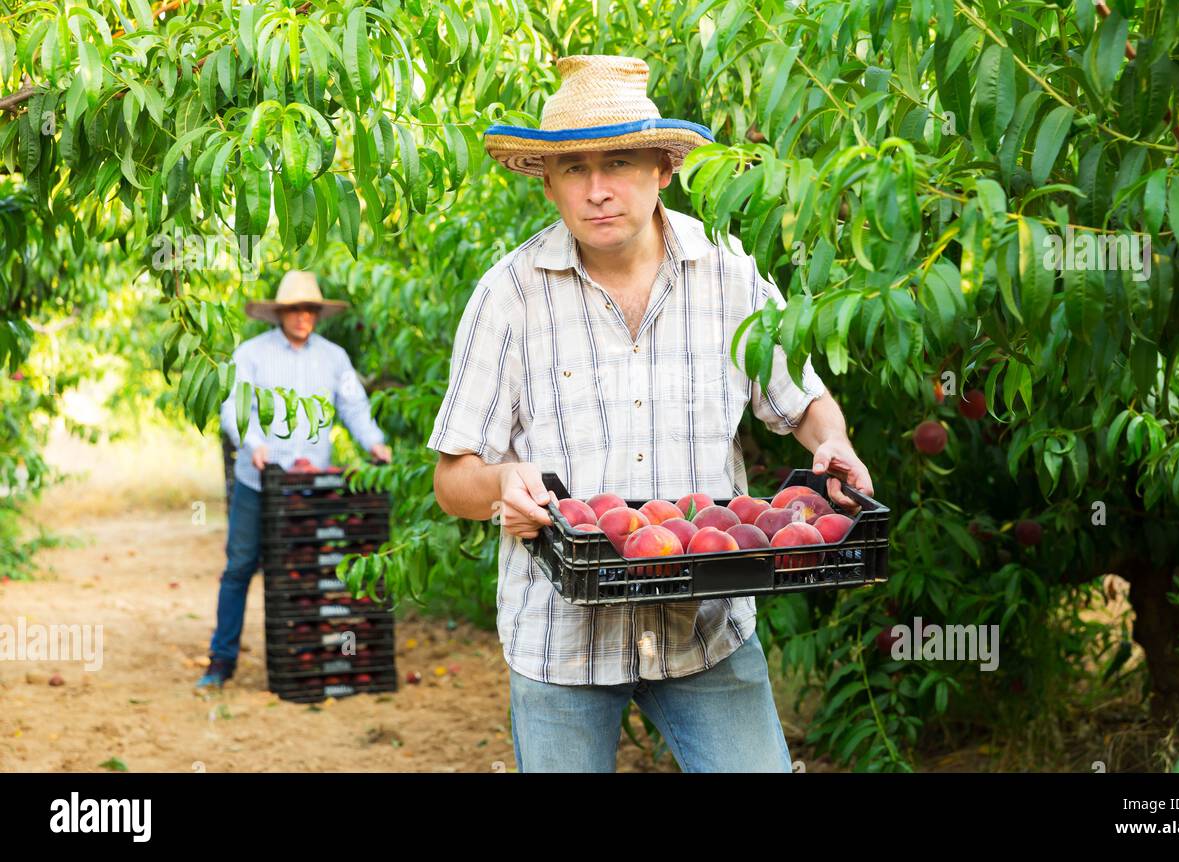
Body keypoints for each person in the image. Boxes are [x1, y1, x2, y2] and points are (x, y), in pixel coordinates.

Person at [429, 54, 874, 772]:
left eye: (622, 162)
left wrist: (836, 443)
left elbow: (802, 400)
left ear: (663, 169)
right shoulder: (508, 296)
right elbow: (453, 480)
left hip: (704, 628)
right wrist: (504, 481)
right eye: (575, 169)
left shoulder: (731, 276)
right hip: (561, 640)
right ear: (547, 183)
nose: (598, 190)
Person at [196, 271, 392, 690]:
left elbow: (353, 406)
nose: (303, 316)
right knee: (240, 566)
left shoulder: (333, 357)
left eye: (310, 309)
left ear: (317, 313)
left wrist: (374, 443)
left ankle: (315, 656)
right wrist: (252, 443)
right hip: (259, 480)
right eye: (295, 309)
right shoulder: (251, 355)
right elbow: (234, 407)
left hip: (308, 486)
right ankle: (221, 660)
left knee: (308, 571)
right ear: (280, 313)